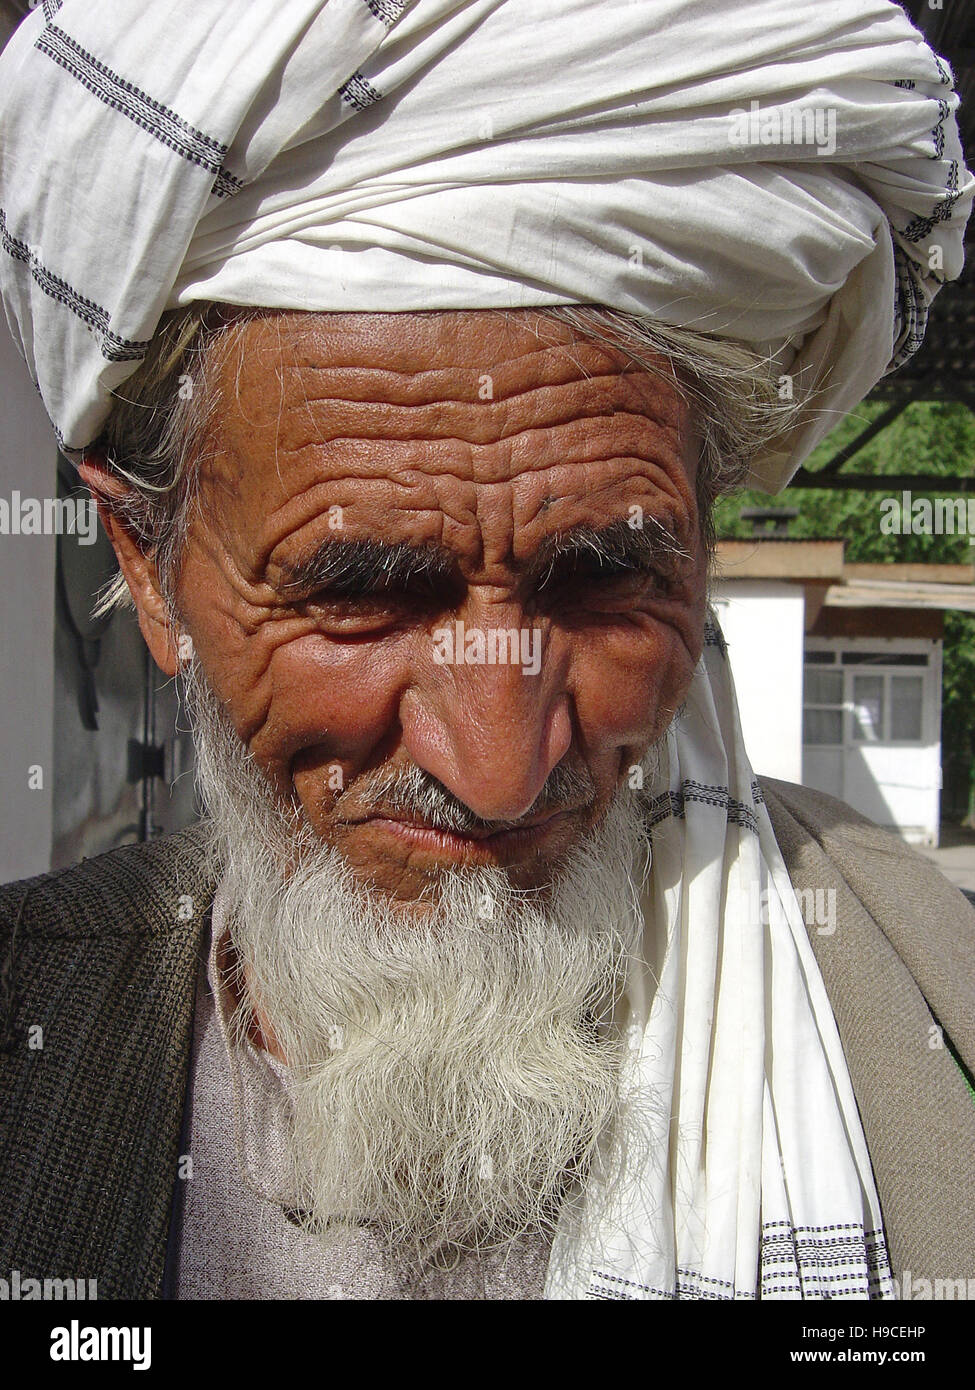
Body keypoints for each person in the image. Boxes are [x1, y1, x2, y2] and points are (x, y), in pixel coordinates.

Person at [0, 0, 973, 1302]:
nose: (504, 769)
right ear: (149, 567)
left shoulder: (927, 998)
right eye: (364, 594)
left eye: (609, 578)